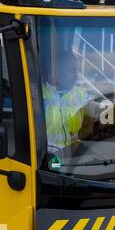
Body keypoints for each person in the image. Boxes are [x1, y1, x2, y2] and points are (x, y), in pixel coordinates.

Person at [42, 34, 92, 164]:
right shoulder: (38, 95)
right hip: (45, 156)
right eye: (71, 70)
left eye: (77, 70)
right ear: (55, 71)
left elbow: (97, 111)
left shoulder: (78, 94)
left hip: (70, 154)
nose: (76, 75)